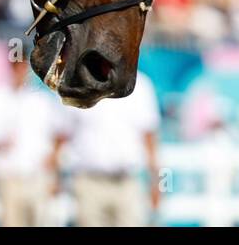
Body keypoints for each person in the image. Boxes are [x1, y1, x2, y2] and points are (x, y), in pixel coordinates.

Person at [59, 70, 162, 226]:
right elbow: (63, 136)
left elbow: (150, 140)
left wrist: (155, 183)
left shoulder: (141, 85)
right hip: (89, 182)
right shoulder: (78, 83)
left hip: (127, 183)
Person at [0, 55, 66, 226]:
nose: (21, 71)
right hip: (8, 176)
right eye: (17, 66)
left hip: (38, 175)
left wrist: (53, 167)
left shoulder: (41, 100)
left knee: (42, 221)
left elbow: (60, 135)